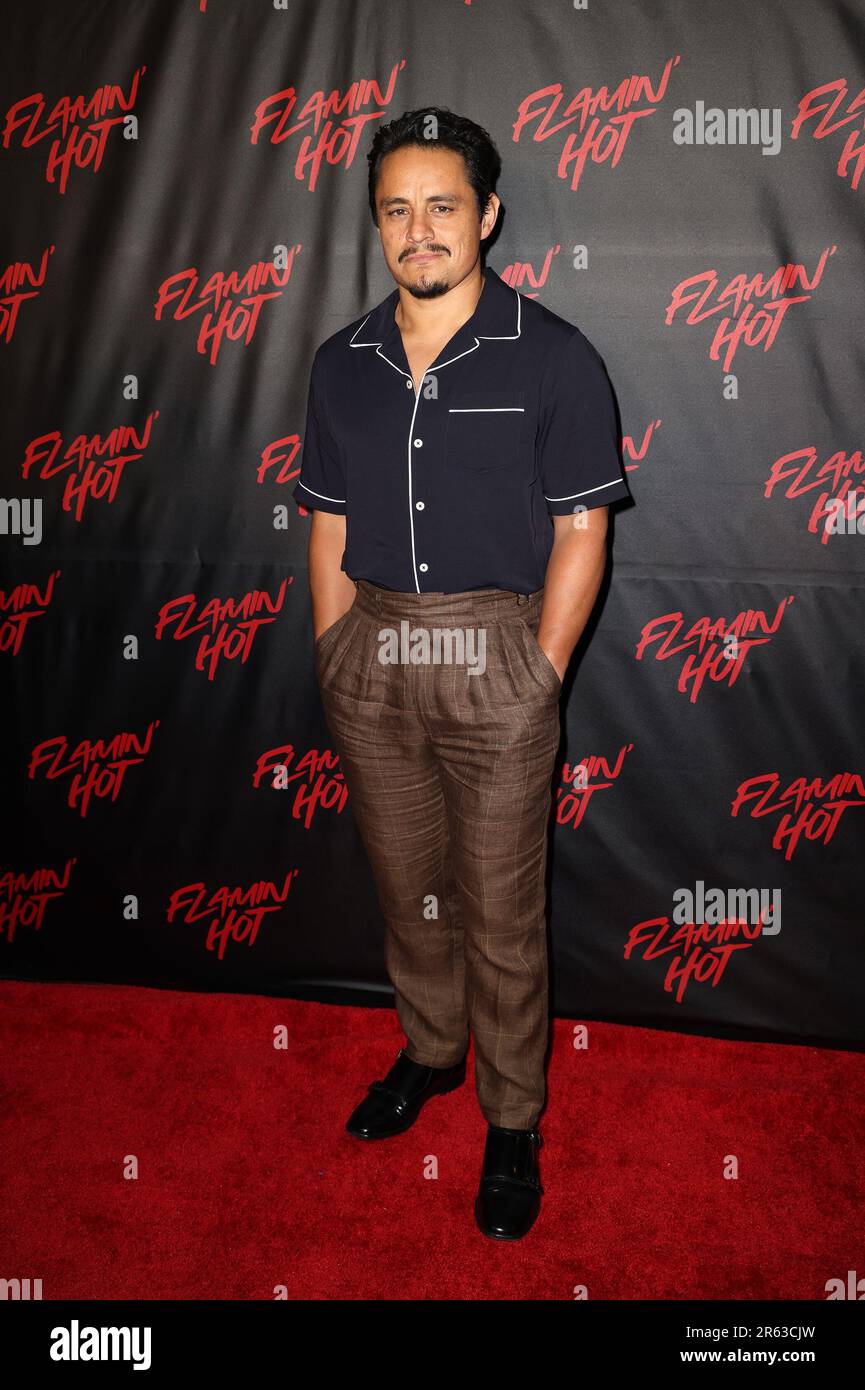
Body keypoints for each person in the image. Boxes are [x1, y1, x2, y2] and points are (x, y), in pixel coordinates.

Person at [292, 107, 631, 1240]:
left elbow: (583, 530)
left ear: (486, 215)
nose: (419, 229)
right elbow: (326, 518)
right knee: (409, 890)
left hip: (496, 654)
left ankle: (514, 1116)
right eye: (397, 209)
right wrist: (337, 649)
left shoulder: (555, 356)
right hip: (374, 653)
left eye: (443, 205)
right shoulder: (340, 363)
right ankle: (433, 1051)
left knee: (499, 912)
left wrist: (535, 673)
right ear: (378, 223)